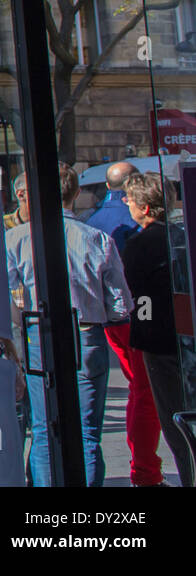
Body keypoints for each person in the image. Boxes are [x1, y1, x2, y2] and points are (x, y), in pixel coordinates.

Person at [6, 165, 132, 487]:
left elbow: (5, 296)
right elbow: (120, 305)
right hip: (87, 331)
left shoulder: (17, 239)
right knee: (87, 433)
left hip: (38, 332)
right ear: (76, 193)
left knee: (45, 430)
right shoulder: (96, 239)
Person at [82, 161, 162, 488]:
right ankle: (144, 471)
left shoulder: (94, 221)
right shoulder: (135, 231)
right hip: (139, 317)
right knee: (145, 392)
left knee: (138, 390)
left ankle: (143, 469)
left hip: (115, 319)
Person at [120, 173, 193, 487]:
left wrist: (144, 322)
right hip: (185, 334)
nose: (127, 204)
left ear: (145, 208)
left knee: (173, 417)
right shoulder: (182, 236)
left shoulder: (138, 244)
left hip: (160, 343)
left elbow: (138, 297)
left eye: (131, 200)